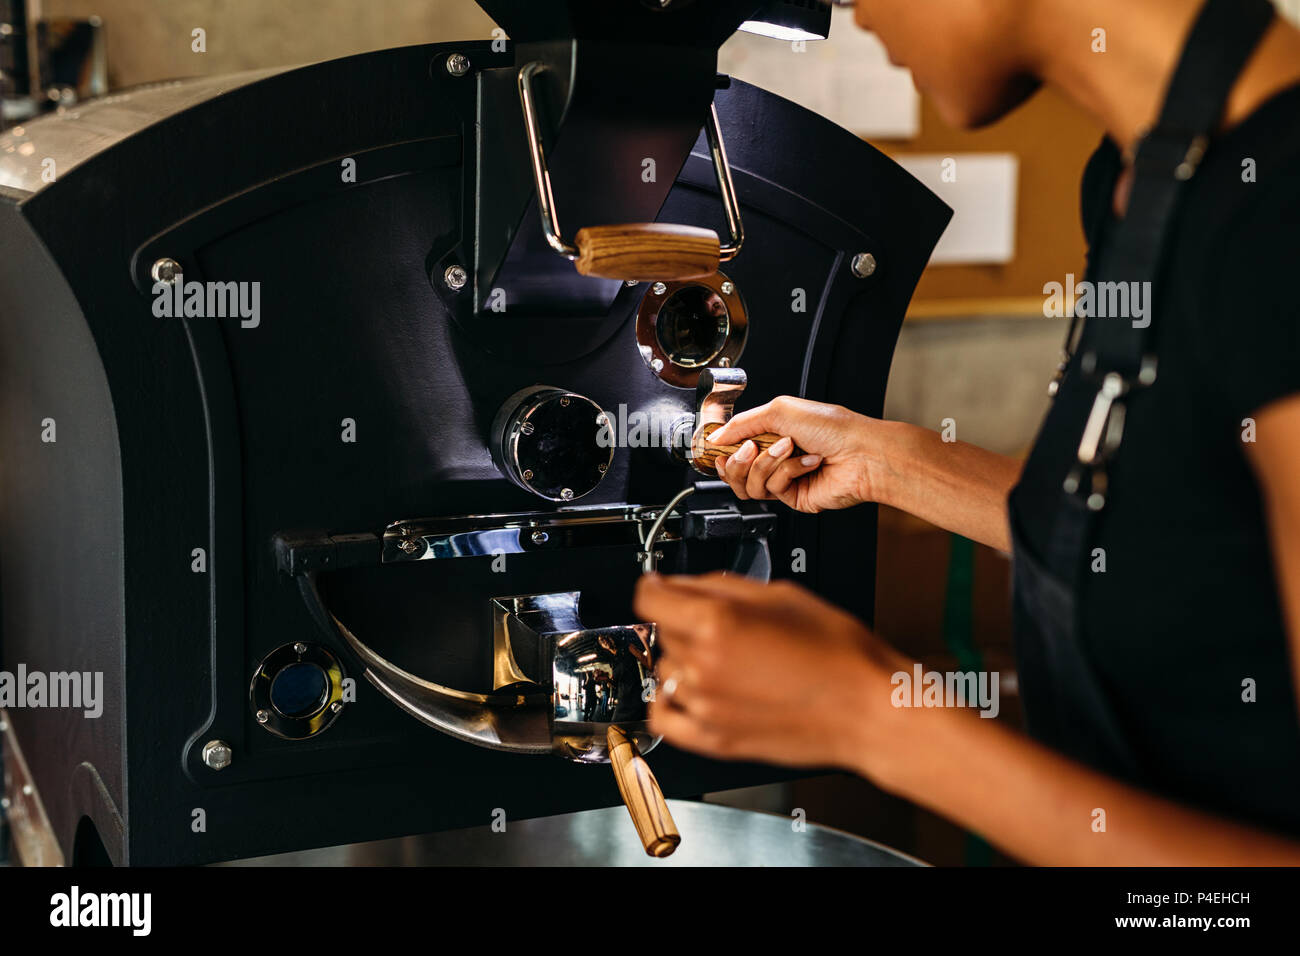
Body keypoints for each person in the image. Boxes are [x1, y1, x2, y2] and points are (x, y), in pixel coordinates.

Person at [634, 0, 1300, 864]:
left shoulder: (1278, 215)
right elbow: (1172, 544)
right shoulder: (1138, 177)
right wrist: (887, 459)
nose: (851, 11)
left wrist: (870, 715)